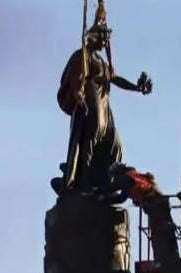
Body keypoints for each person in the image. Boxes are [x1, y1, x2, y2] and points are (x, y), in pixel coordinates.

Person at [52, 22, 153, 196]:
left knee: (114, 144)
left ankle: (106, 179)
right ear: (94, 36)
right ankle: (84, 182)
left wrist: (137, 88)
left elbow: (114, 79)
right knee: (89, 140)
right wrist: (79, 98)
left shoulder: (100, 61)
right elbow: (76, 80)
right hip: (91, 100)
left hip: (104, 104)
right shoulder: (82, 56)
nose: (106, 43)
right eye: (104, 38)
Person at [94, 163, 179, 263]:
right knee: (164, 230)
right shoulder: (133, 178)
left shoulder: (128, 178)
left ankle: (165, 259)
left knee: (160, 232)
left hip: (156, 204)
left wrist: (97, 190)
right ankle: (171, 256)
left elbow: (114, 187)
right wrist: (105, 200)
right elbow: (121, 198)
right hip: (158, 204)